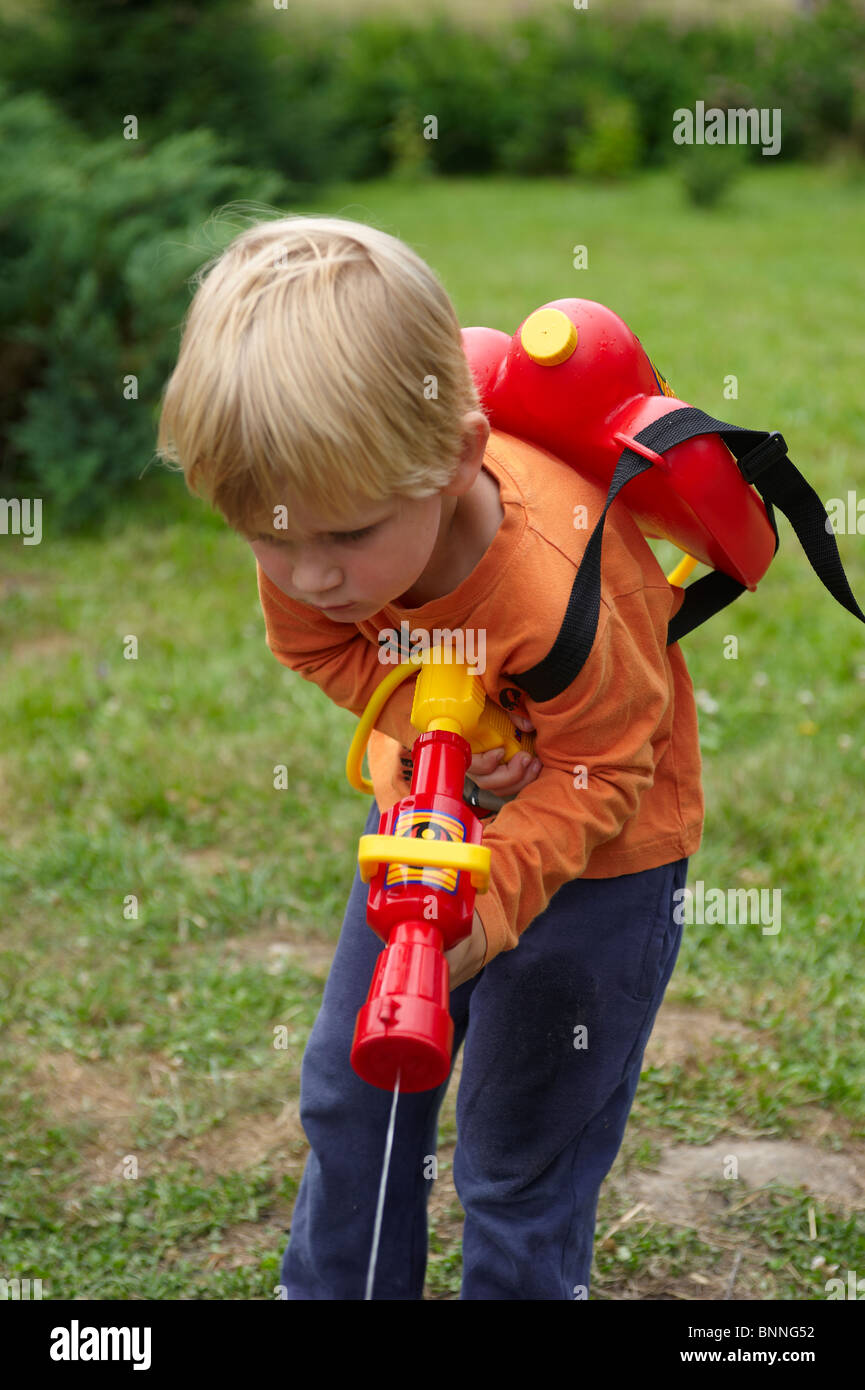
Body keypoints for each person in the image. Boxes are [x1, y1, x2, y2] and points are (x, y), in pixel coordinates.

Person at [156, 212, 703, 1300]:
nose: (310, 575)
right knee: (355, 1098)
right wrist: (425, 727)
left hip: (601, 856)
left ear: (451, 460)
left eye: (346, 538)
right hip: (429, 828)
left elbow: (609, 764)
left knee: (517, 1151)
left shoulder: (556, 596)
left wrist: (496, 898)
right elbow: (316, 645)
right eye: (271, 538)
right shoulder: (314, 525)